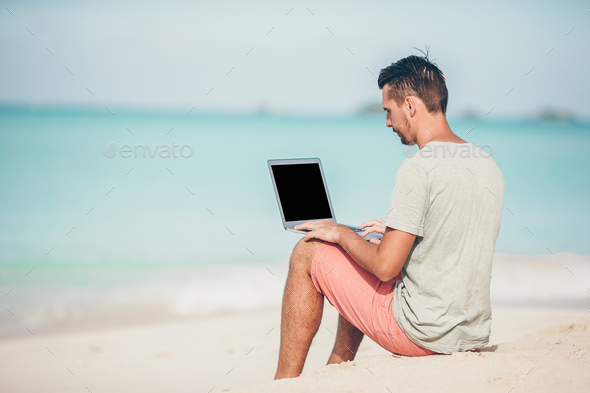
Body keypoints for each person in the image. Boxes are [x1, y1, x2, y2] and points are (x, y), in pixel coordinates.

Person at [274, 52, 505, 380]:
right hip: (471, 335)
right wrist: (398, 231)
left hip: (424, 334)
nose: (387, 122)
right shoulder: (486, 163)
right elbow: (454, 234)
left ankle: (283, 383)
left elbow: (385, 268)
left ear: (410, 106)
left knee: (307, 251)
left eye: (388, 111)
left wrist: (341, 233)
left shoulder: (418, 168)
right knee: (362, 246)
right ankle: (335, 370)